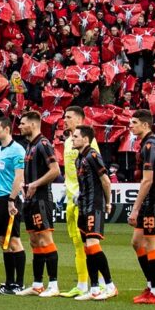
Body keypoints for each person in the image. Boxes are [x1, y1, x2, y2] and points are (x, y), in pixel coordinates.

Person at [70, 125, 117, 300]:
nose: (72, 139)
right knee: (87, 248)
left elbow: (105, 180)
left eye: (76, 136)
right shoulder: (79, 159)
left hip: (94, 205)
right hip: (83, 206)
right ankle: (95, 288)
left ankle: (110, 285)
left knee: (92, 244)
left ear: (85, 139)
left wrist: (108, 202)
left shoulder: (93, 155)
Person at [127, 109, 155, 303]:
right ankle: (151, 285)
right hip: (150, 200)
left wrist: (135, 208)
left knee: (151, 245)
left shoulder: (150, 145)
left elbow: (147, 180)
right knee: (137, 242)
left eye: (134, 122)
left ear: (145, 125)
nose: (130, 126)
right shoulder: (148, 143)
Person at [18, 110, 60, 296]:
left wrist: (35, 184)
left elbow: (55, 170)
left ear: (33, 124)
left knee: (45, 238)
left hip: (42, 199)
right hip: (30, 200)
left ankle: (53, 284)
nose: (20, 126)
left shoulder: (43, 144)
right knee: (34, 241)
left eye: (23, 123)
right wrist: (24, 184)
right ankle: (37, 284)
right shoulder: (30, 145)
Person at [0, 116, 26, 293]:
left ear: (7, 129)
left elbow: (19, 177)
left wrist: (12, 199)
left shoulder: (17, 150)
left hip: (10, 199)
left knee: (14, 240)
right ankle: (9, 282)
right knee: (3, 241)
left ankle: (19, 283)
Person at [57, 107, 87, 298]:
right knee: (77, 242)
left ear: (80, 119)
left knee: (88, 242)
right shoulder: (68, 142)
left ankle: (102, 284)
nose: (65, 120)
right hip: (70, 198)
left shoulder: (87, 140)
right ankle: (82, 284)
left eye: (69, 117)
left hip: (82, 199)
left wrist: (83, 193)